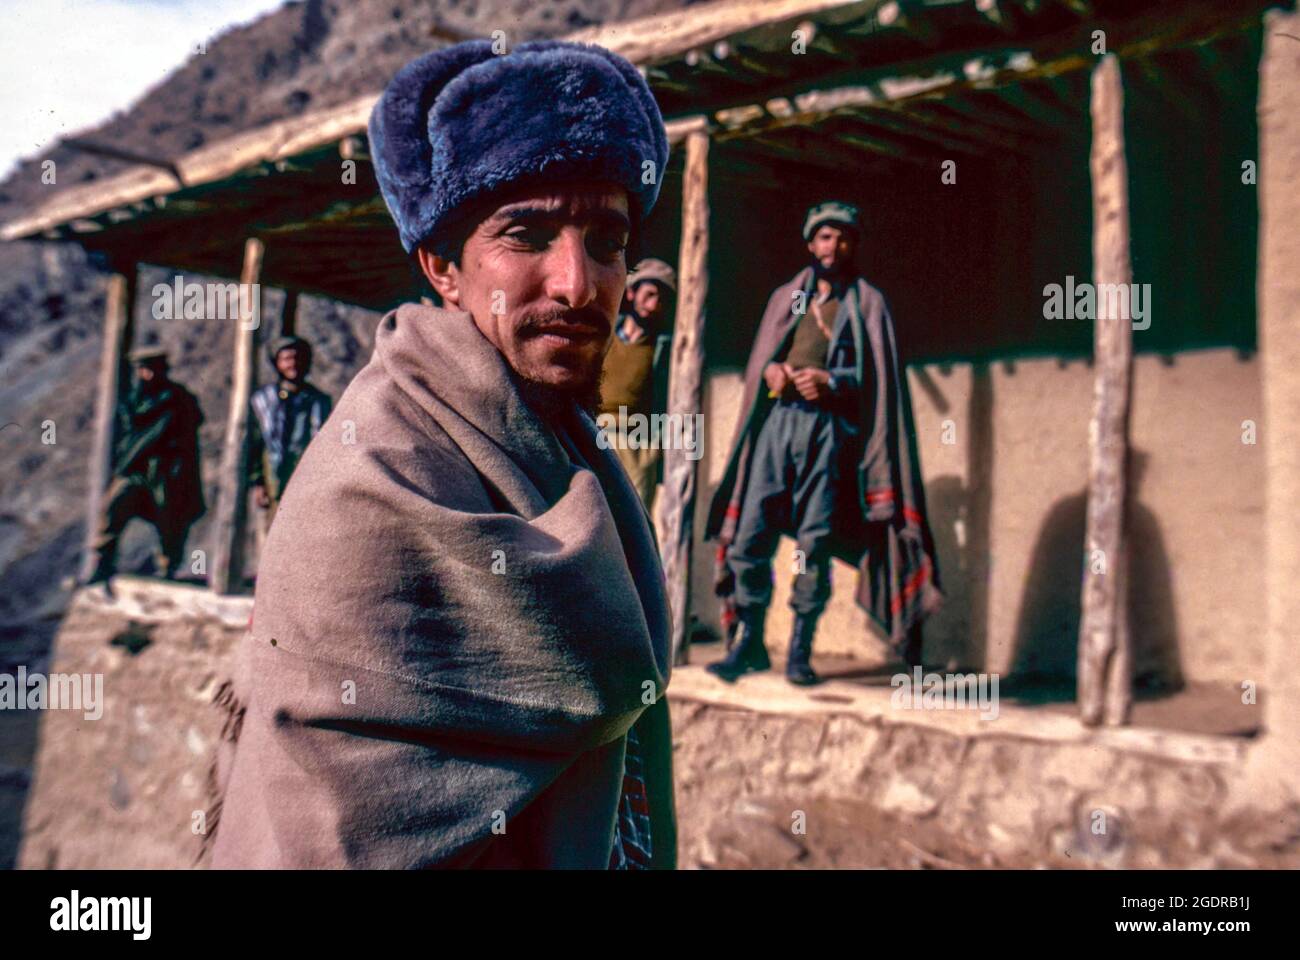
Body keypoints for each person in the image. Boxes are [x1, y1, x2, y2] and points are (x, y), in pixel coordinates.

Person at [206, 39, 675, 870]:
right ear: (442, 270)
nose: (576, 282)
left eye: (607, 240)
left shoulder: (564, 451)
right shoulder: (374, 485)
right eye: (526, 234)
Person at [705, 201, 943, 686]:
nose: (834, 247)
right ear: (811, 244)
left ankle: (799, 651)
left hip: (829, 434)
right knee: (750, 535)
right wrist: (774, 372)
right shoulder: (791, 297)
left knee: (812, 544)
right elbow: (766, 361)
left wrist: (833, 382)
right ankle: (748, 643)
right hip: (778, 426)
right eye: (825, 238)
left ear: (854, 244)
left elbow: (877, 384)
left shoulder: (864, 303)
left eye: (843, 237)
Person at [85, 347, 204, 584]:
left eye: (152, 368)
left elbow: (188, 431)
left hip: (167, 469)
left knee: (170, 517)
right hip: (136, 469)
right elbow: (129, 435)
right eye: (142, 369)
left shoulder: (178, 398)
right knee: (115, 505)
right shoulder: (131, 399)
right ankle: (103, 563)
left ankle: (168, 567)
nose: (147, 374)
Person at [598, 257, 675, 511]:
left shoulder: (663, 349)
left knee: (635, 518)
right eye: (650, 294)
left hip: (637, 441)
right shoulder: (603, 335)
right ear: (631, 293)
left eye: (661, 299)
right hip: (595, 434)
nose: (654, 305)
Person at [248, 335, 331, 530]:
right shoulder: (264, 401)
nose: (292, 364)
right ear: (277, 363)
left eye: (297, 358)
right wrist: (257, 482)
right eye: (286, 359)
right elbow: (257, 442)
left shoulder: (319, 401)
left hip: (308, 477)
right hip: (274, 476)